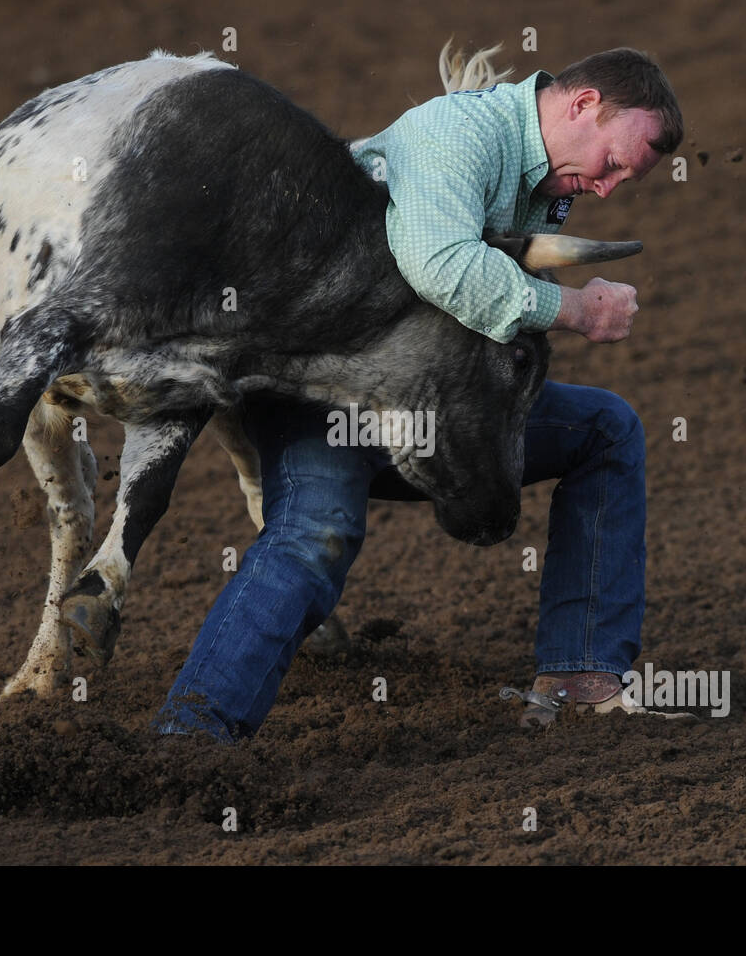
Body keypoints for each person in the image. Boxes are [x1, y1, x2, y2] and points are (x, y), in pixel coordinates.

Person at [153, 47, 684, 739]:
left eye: (623, 180)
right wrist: (577, 309)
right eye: (614, 162)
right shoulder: (457, 133)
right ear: (583, 105)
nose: (609, 188)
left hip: (431, 395)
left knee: (606, 430)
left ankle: (582, 675)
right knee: (316, 528)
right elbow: (439, 263)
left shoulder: (546, 180)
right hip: (329, 381)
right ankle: (192, 733)